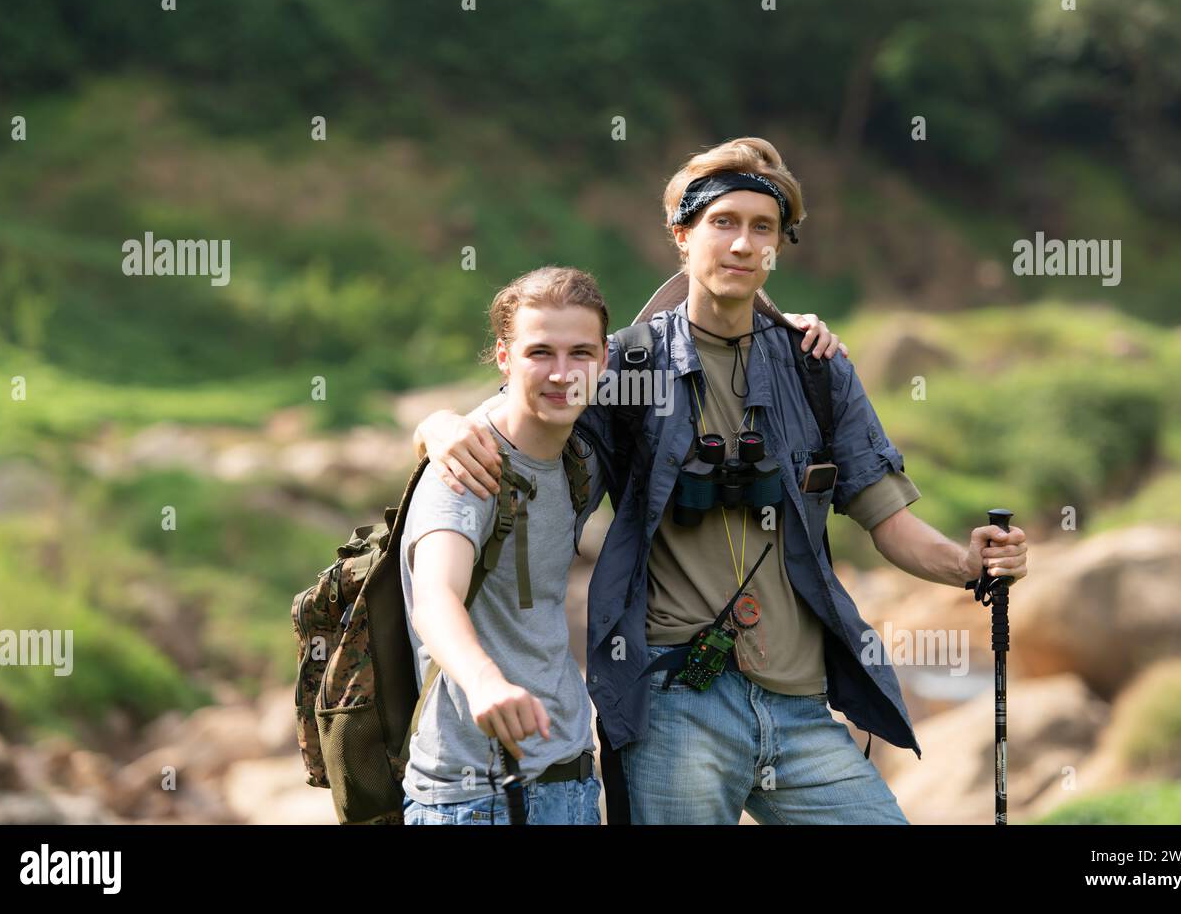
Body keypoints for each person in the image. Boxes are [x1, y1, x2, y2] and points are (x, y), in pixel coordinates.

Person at [418, 136, 1029, 824]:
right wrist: (438, 424)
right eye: (723, 223)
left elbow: (886, 516)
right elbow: (534, 402)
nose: (742, 244)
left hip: (800, 705)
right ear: (682, 235)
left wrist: (965, 563)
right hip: (676, 704)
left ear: (779, 245)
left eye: (762, 228)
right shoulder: (626, 364)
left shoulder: (816, 367)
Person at [400, 265, 611, 824]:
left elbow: (692, 309)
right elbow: (435, 598)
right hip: (471, 792)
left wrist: (786, 325)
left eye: (581, 353)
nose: (562, 374)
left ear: (605, 360)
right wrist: (485, 682)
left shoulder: (584, 455)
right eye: (540, 352)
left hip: (570, 775)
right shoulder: (466, 465)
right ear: (504, 358)